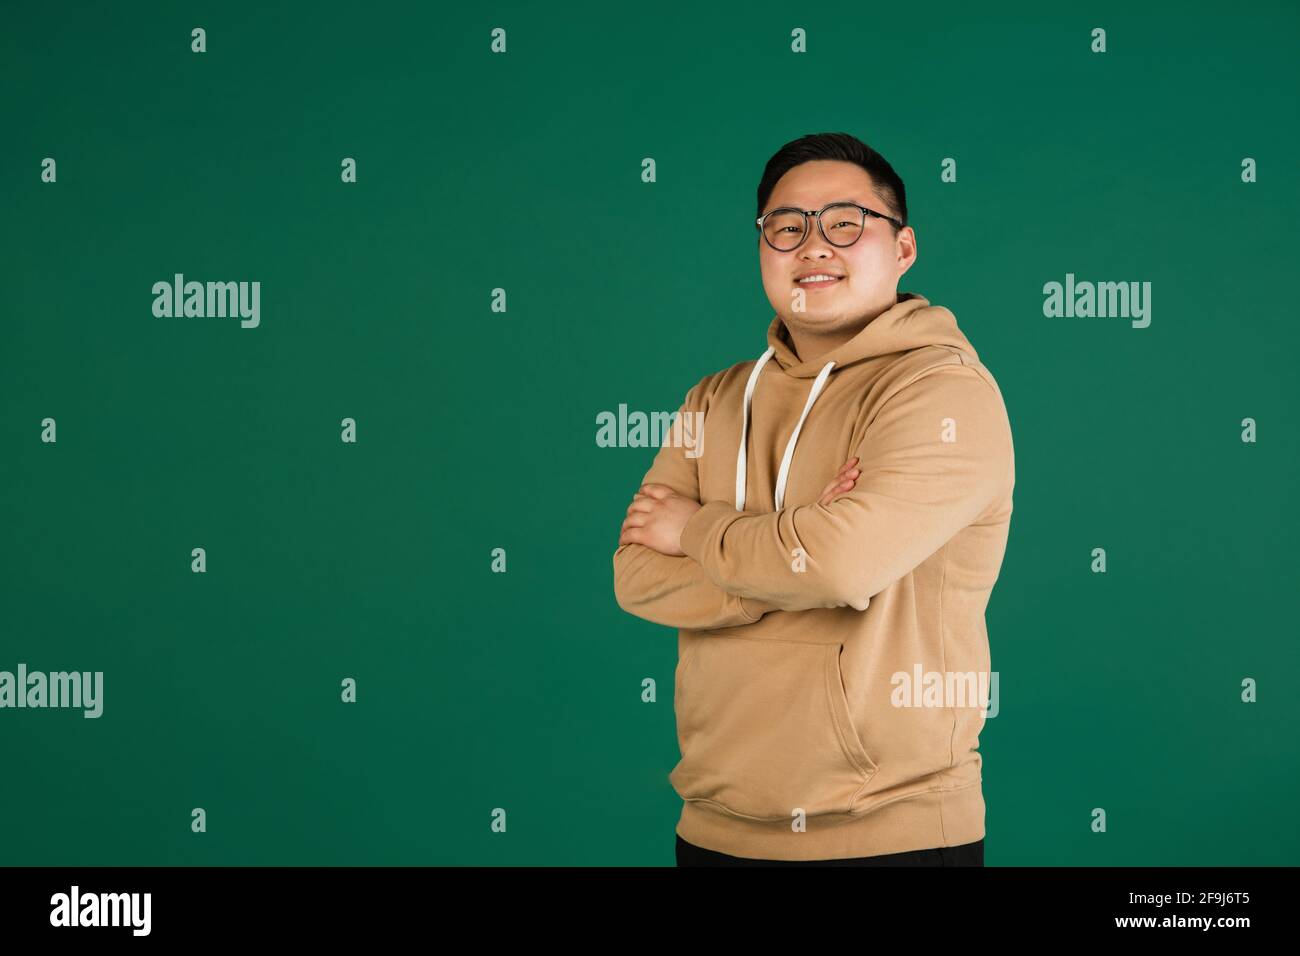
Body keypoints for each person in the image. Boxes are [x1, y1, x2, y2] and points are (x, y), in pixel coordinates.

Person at [613, 132, 1014, 866]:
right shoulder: (715, 398)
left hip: (893, 833)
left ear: (904, 248)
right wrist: (790, 549)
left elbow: (839, 567)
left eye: (847, 222)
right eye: (787, 226)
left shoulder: (942, 391)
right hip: (713, 827)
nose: (815, 246)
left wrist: (697, 530)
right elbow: (635, 577)